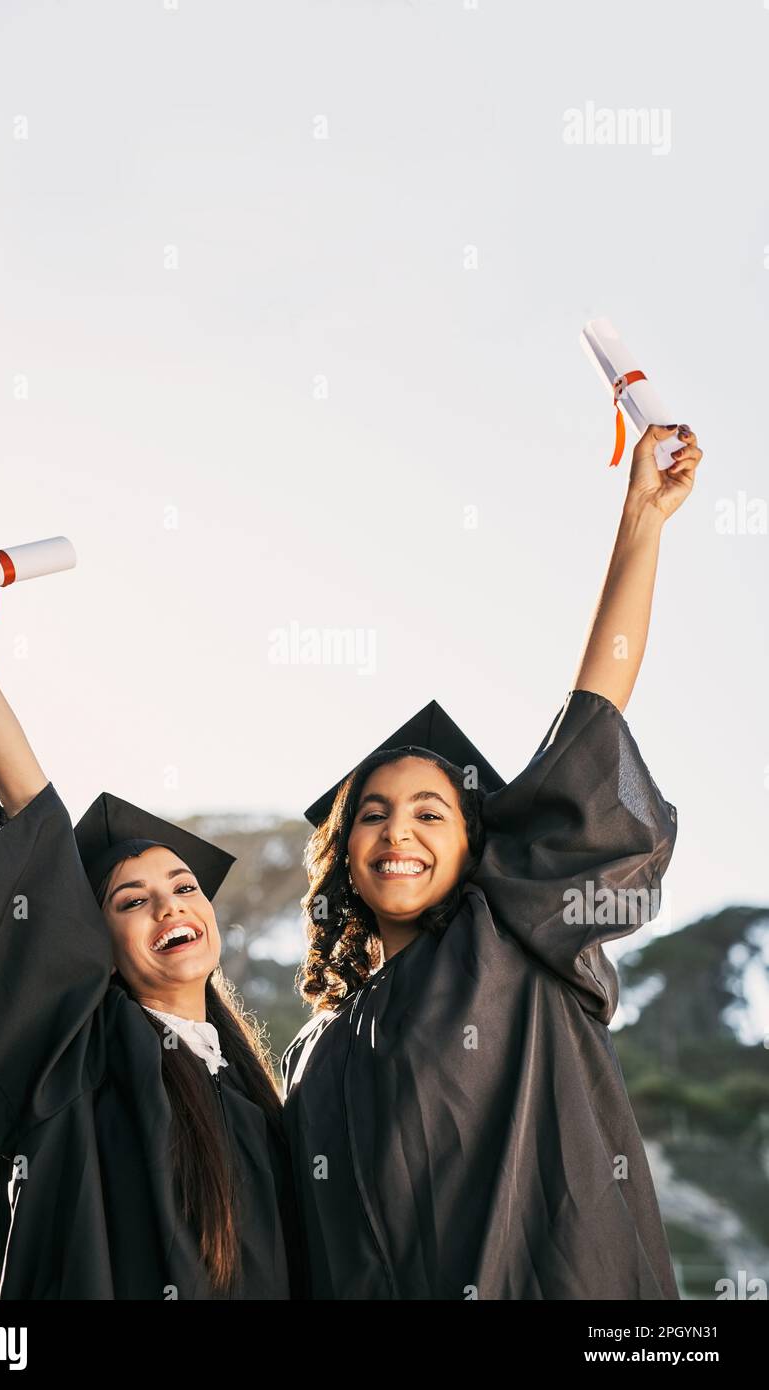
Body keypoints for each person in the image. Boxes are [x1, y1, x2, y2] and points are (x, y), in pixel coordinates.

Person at [281, 423, 703, 1300]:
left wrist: (642, 523)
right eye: (374, 814)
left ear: (482, 852)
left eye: (431, 812)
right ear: (343, 855)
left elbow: (591, 713)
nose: (400, 831)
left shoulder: (508, 932)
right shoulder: (311, 1053)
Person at [0, 549, 302, 1300]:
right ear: (92, 947)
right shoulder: (81, 1061)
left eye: (182, 886)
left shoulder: (259, 1095)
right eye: (130, 900)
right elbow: (34, 817)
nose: (169, 904)